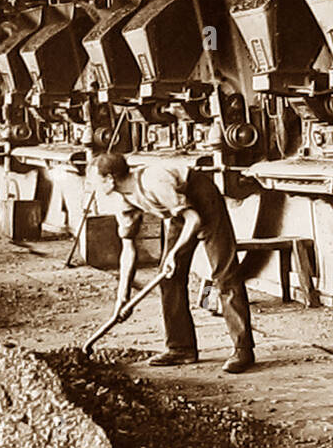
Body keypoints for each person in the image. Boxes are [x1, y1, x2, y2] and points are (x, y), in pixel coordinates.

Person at [90, 152, 255, 373]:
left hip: (203, 199)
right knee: (169, 278)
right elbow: (128, 249)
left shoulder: (153, 182)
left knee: (224, 274)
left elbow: (194, 219)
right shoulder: (122, 199)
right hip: (183, 212)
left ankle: (243, 350)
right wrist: (122, 297)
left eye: (95, 180)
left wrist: (173, 254)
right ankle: (181, 348)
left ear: (110, 178)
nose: (92, 185)